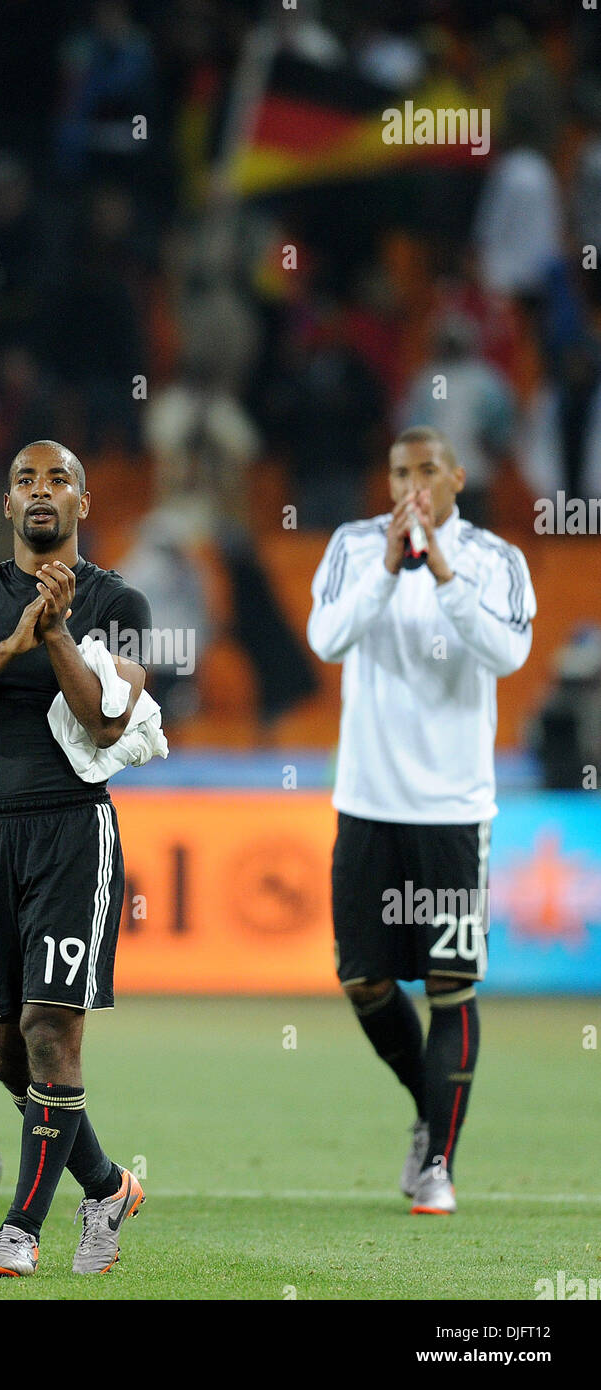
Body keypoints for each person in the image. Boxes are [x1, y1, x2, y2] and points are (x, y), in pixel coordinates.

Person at [0, 439, 150, 1276]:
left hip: (71, 830)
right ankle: (107, 1187)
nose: (40, 490)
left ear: (83, 502)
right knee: (3, 1049)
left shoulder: (118, 601)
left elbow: (106, 723)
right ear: (7, 504)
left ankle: (20, 1229)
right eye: (25, 480)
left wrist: (54, 637)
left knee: (50, 1029)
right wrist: (11, 643)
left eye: (58, 479)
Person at [307, 425, 536, 1214]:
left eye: (427, 470)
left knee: (448, 982)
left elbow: (506, 654)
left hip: (451, 808)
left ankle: (438, 1163)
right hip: (367, 800)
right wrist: (386, 568)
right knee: (363, 980)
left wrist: (440, 570)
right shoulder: (353, 546)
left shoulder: (493, 559)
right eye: (400, 471)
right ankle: (429, 1108)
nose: (412, 485)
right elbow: (326, 638)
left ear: (456, 478)